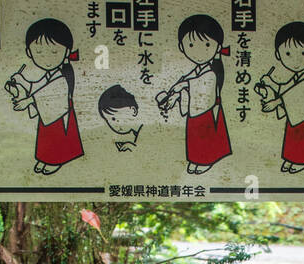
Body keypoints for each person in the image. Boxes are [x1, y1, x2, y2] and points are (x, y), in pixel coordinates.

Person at [5, 18, 83, 175]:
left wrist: (29, 101)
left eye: (54, 52)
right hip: (48, 111)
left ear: (66, 52)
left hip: (59, 114)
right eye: (39, 52)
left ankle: (57, 160)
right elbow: (38, 87)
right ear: (29, 52)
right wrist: (21, 81)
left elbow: (52, 92)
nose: (47, 58)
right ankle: (45, 158)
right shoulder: (50, 73)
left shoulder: (63, 74)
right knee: (47, 137)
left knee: (58, 137)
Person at [155, 15, 231, 174]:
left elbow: (202, 83)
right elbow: (187, 83)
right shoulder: (194, 72)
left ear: (217, 47)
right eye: (191, 44)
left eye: (207, 44)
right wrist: (174, 96)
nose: (199, 51)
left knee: (206, 137)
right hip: (195, 112)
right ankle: (196, 160)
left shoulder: (212, 72)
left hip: (208, 112)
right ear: (182, 47)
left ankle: (206, 160)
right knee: (195, 137)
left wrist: (184, 85)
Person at [255, 21, 304, 173]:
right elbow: (287, 89)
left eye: (303, 53)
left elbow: (298, 93)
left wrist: (277, 102)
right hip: (295, 113)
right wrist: (269, 84)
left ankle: (301, 160)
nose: (296, 60)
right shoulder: (298, 75)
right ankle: (292, 158)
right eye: (288, 54)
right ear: (278, 55)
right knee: (293, 138)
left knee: (303, 138)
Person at [98, 84, 141, 151]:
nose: (114, 123)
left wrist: (133, 149)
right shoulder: (133, 135)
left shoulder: (143, 130)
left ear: (133, 110)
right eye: (108, 120)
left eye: (114, 118)